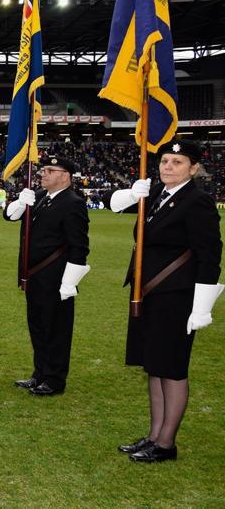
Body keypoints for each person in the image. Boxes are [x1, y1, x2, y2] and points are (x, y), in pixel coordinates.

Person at [104, 139, 223, 463]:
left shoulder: (197, 201)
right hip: (150, 293)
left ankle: (167, 444)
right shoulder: (156, 192)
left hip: (177, 297)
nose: (168, 167)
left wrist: (202, 306)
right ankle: (154, 435)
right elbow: (110, 203)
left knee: (172, 369)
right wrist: (132, 193)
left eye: (177, 162)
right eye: (165, 161)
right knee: (154, 367)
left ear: (194, 168)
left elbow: (210, 256)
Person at [3, 156, 90, 396]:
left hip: (55, 277)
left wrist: (69, 282)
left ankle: (54, 379)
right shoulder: (39, 197)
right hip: (33, 276)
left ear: (65, 176)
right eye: (43, 170)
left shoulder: (73, 203)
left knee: (56, 330)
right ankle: (39, 373)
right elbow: (8, 217)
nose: (43, 173)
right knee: (38, 327)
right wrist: (21, 202)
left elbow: (79, 246)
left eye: (50, 170)